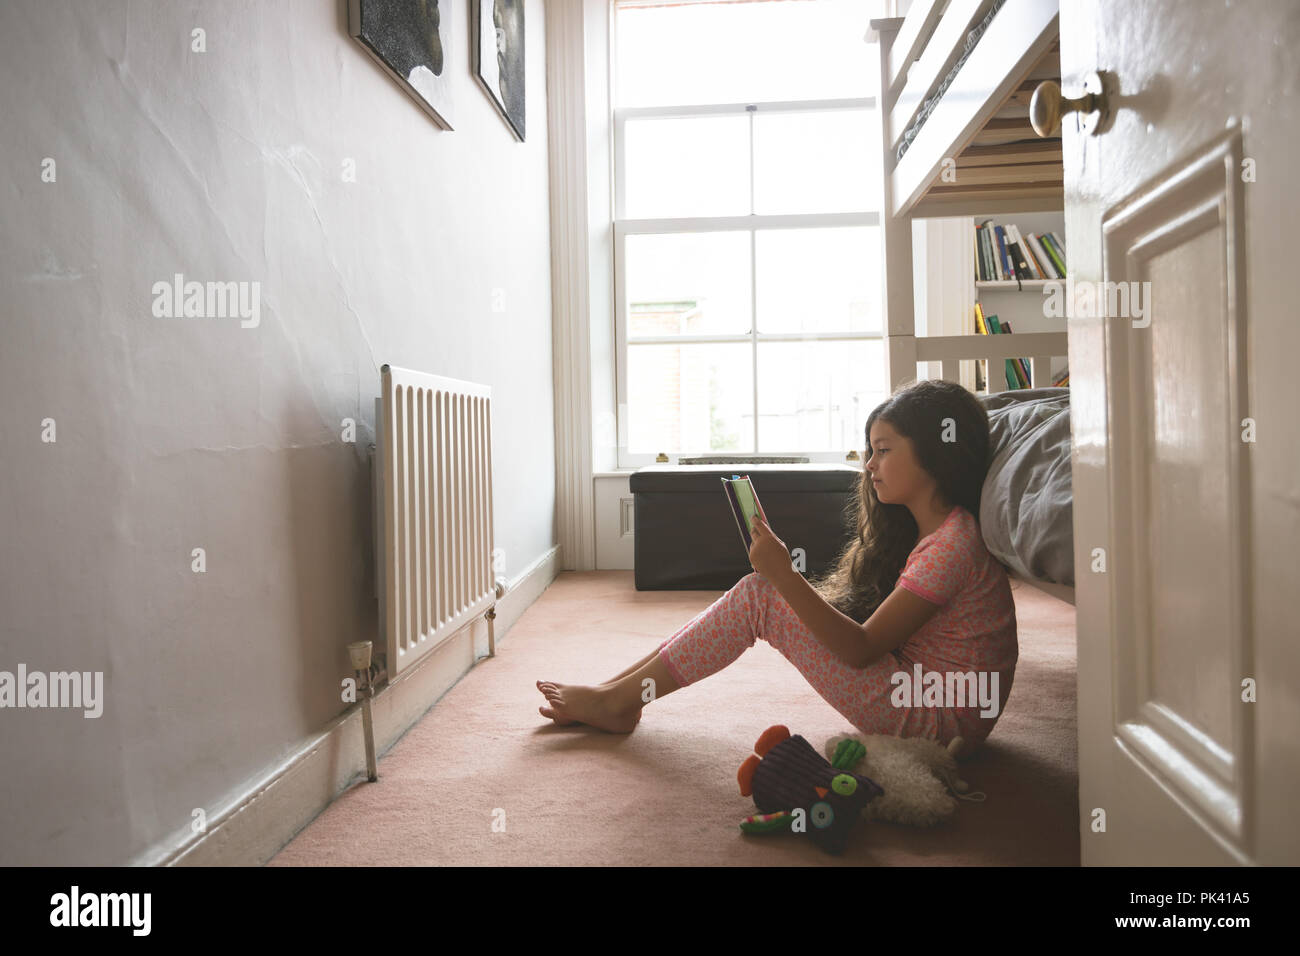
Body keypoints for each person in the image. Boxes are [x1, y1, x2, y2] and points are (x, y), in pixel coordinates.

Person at [537, 379, 1018, 753]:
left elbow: (862, 649)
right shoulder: (938, 531)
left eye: (884, 450)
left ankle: (618, 701)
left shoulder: (952, 545)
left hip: (938, 722)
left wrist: (784, 575)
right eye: (870, 450)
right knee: (762, 591)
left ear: (935, 453)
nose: (870, 464)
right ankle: (615, 694)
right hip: (934, 702)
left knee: (760, 595)